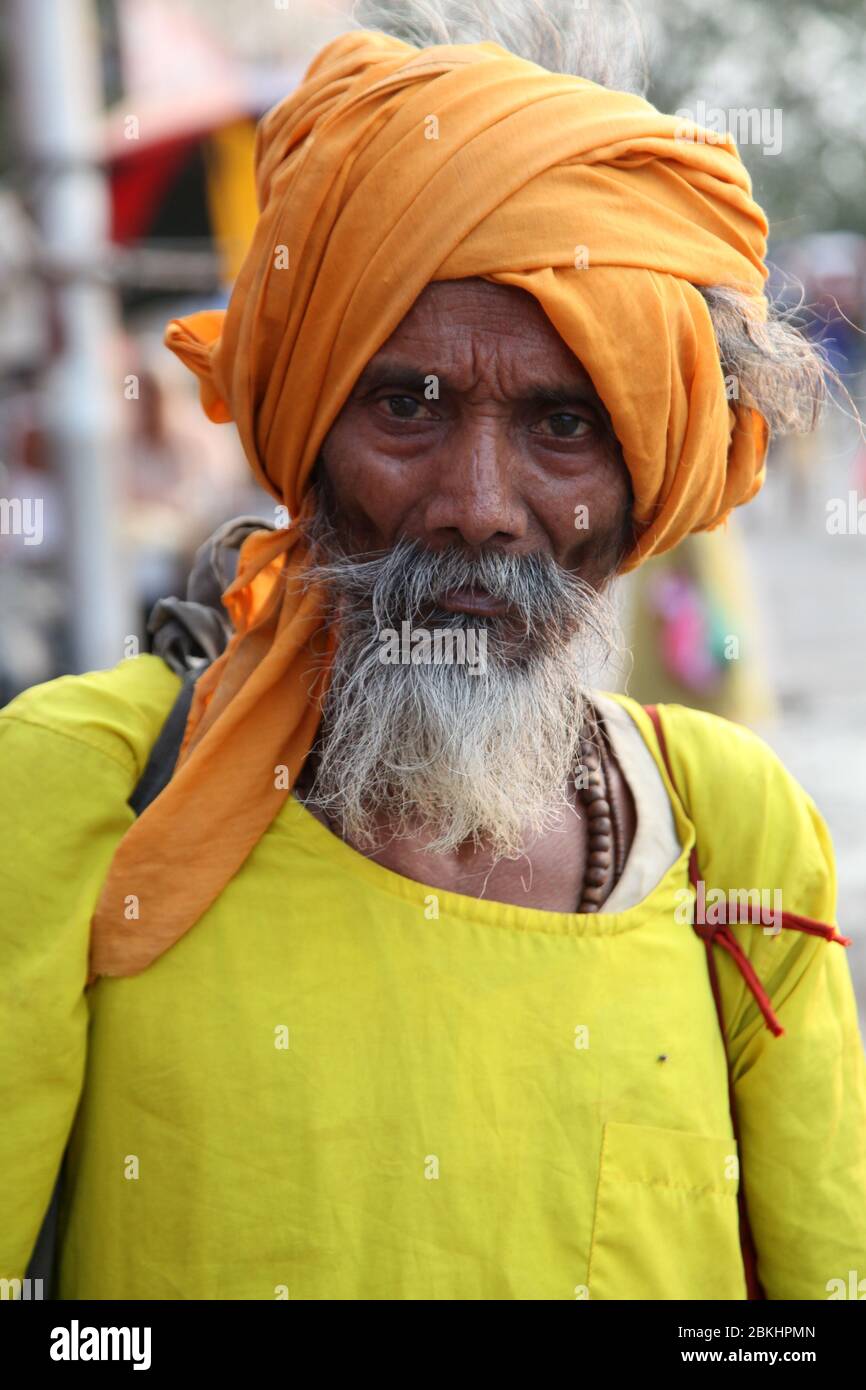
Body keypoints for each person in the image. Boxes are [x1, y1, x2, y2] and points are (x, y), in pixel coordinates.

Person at [2, 0, 865, 1302]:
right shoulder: (75, 788)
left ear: (650, 469)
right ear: (306, 428)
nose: (476, 500)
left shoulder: (732, 836)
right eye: (405, 404)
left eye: (563, 421)